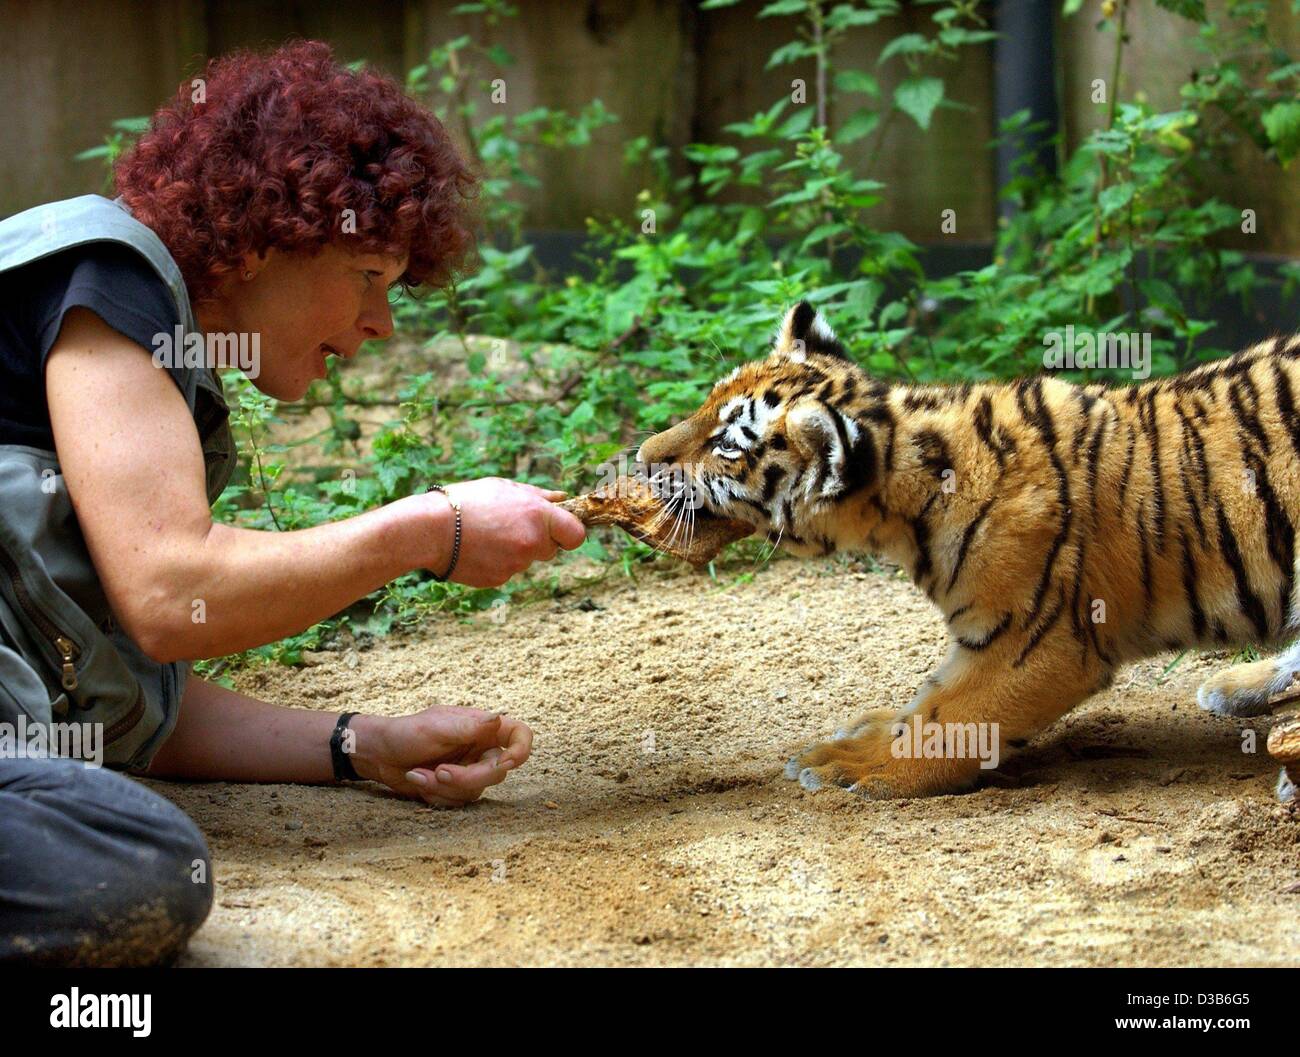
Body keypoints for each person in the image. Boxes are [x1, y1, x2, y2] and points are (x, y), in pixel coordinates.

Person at [0, 39, 585, 966]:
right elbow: (168, 592)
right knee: (131, 868)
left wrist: (361, 745)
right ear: (269, 235)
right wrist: (431, 528)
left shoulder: (158, 344)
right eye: (367, 279)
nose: (381, 324)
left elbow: (121, 705)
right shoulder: (108, 277)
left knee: (114, 849)